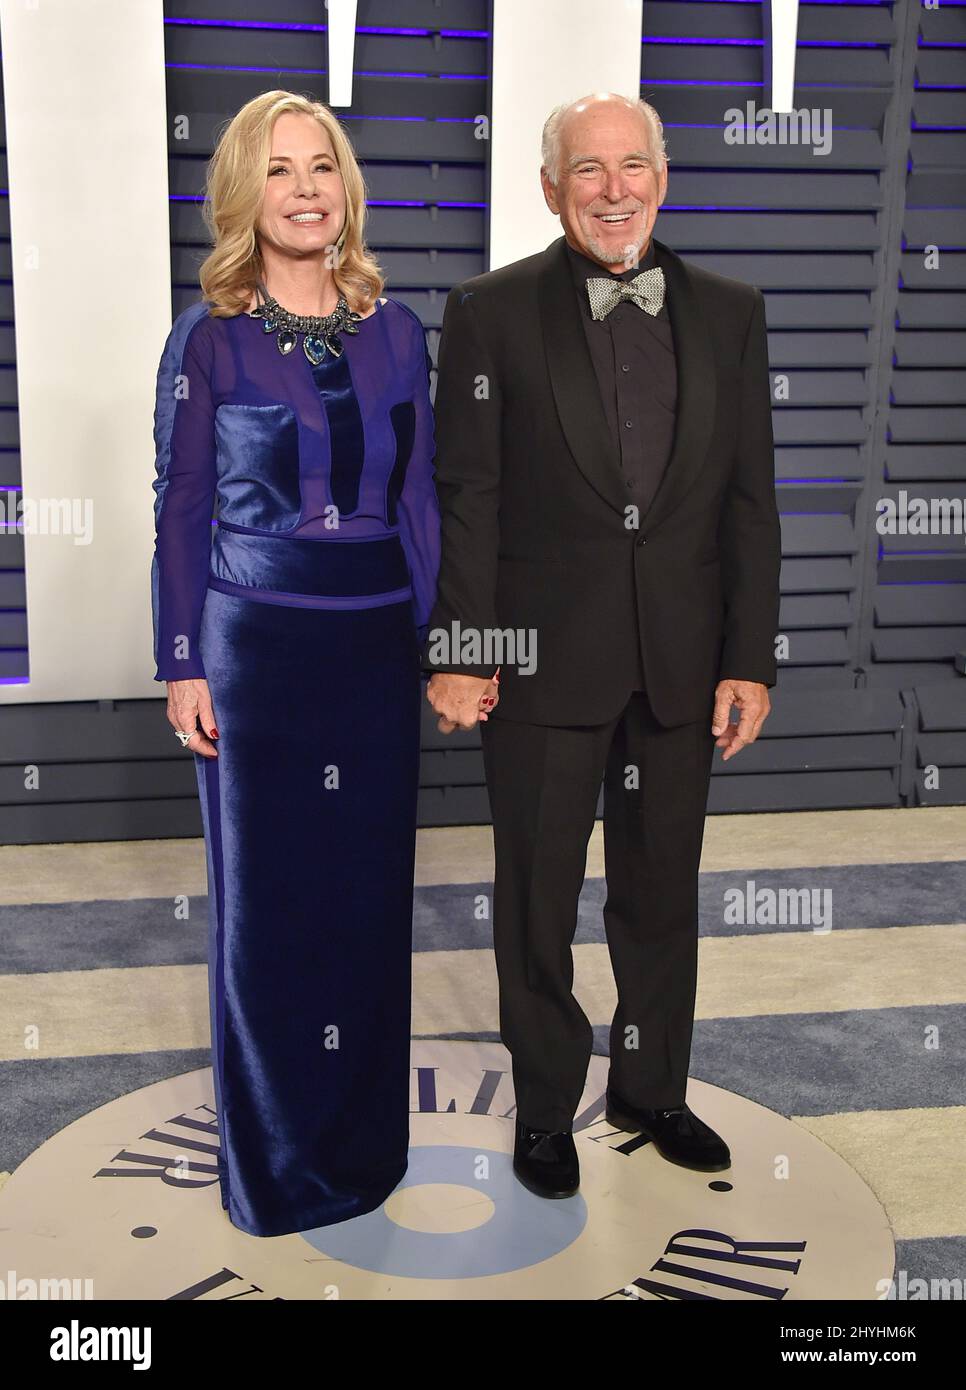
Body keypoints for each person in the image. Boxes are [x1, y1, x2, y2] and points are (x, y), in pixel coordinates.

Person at [424, 93, 782, 1199]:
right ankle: (543, 1110)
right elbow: (468, 497)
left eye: (633, 166)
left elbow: (749, 503)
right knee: (537, 895)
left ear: (661, 181)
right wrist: (463, 648)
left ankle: (649, 1087)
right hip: (536, 662)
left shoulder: (730, 310)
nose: (614, 189)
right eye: (589, 169)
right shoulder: (489, 312)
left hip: (681, 662)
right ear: (550, 187)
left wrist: (749, 658)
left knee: (661, 892)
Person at [151, 90, 495, 1237]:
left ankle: (361, 1146)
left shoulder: (398, 332)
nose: (306, 189)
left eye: (323, 168)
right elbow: (184, 506)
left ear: (347, 191)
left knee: (363, 904)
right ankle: (279, 1165)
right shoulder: (208, 339)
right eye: (281, 170)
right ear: (245, 194)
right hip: (255, 651)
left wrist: (444, 644)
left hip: (373, 646)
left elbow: (421, 505)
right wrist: (183, 658)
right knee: (267, 909)